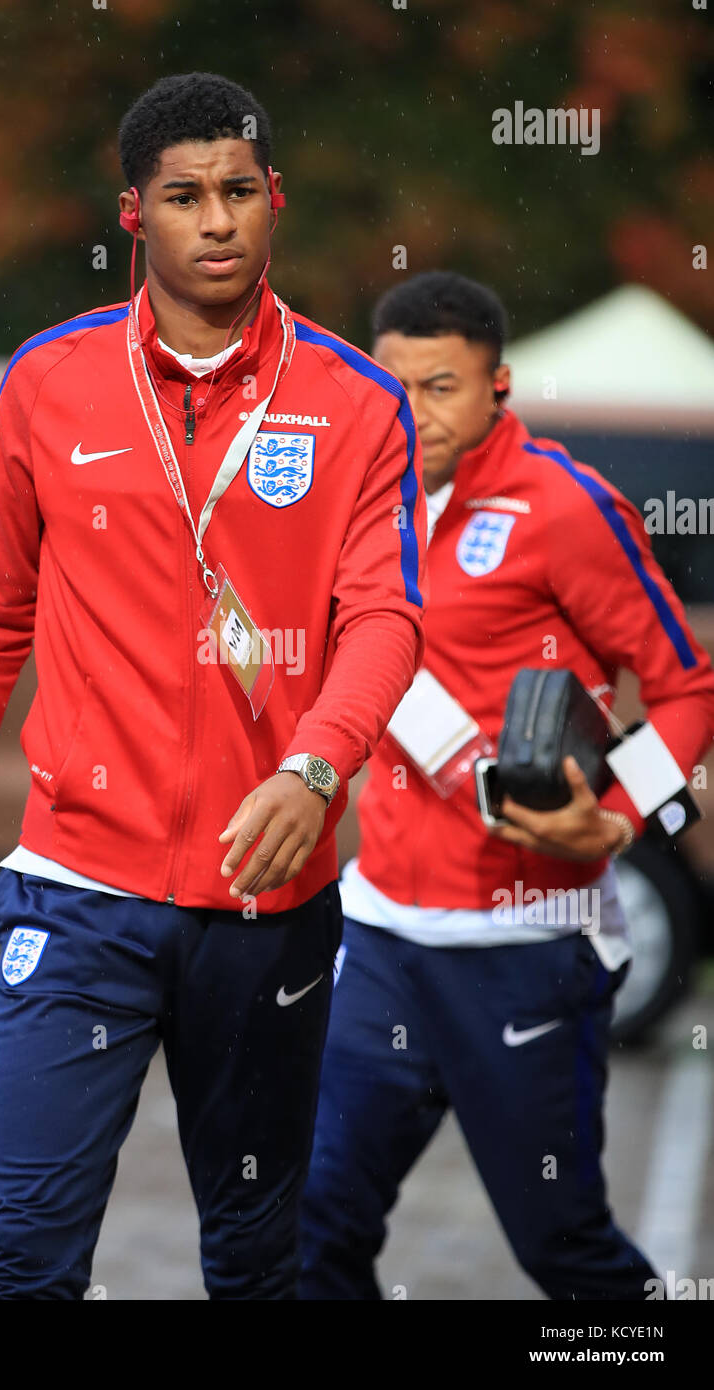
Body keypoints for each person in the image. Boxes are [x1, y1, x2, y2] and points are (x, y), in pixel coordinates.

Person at [0, 72, 427, 1300]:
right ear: (134, 214)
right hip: (76, 895)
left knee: (251, 1261)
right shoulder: (50, 381)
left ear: (273, 201)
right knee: (27, 1256)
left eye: (239, 191)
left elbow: (386, 621)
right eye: (184, 196)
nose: (217, 220)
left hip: (268, 910)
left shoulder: (354, 403)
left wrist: (317, 761)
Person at [299, 271, 714, 1300]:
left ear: (498, 386)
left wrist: (614, 820)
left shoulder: (565, 507)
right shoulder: (355, 504)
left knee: (560, 1249)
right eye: (390, 386)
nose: (410, 412)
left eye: (439, 386)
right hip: (382, 934)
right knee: (308, 1225)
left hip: (524, 947)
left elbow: (683, 686)